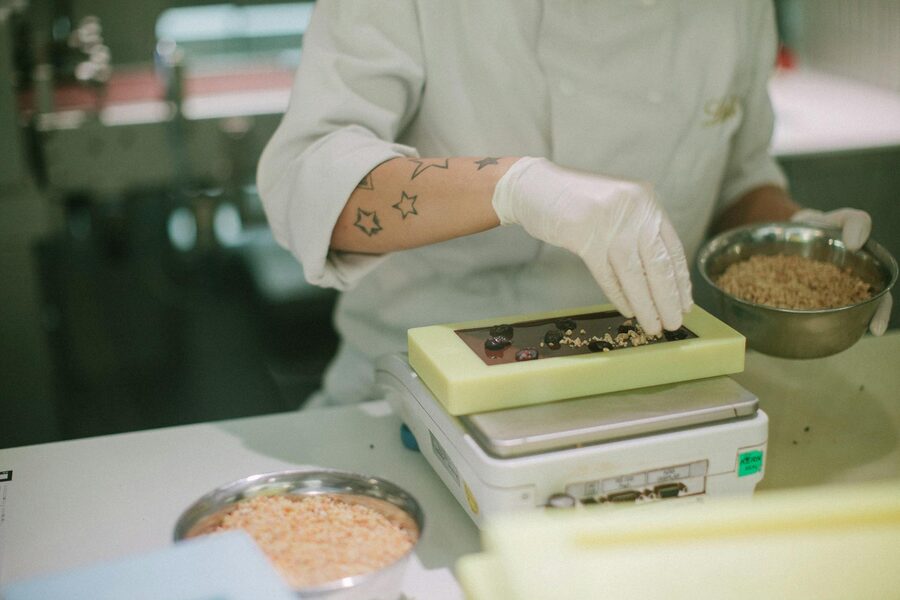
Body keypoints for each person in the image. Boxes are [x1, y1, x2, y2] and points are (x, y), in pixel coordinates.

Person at [257, 1, 891, 407]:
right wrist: (517, 188)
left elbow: (737, 178)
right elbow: (307, 182)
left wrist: (792, 238)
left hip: (662, 396)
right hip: (418, 397)